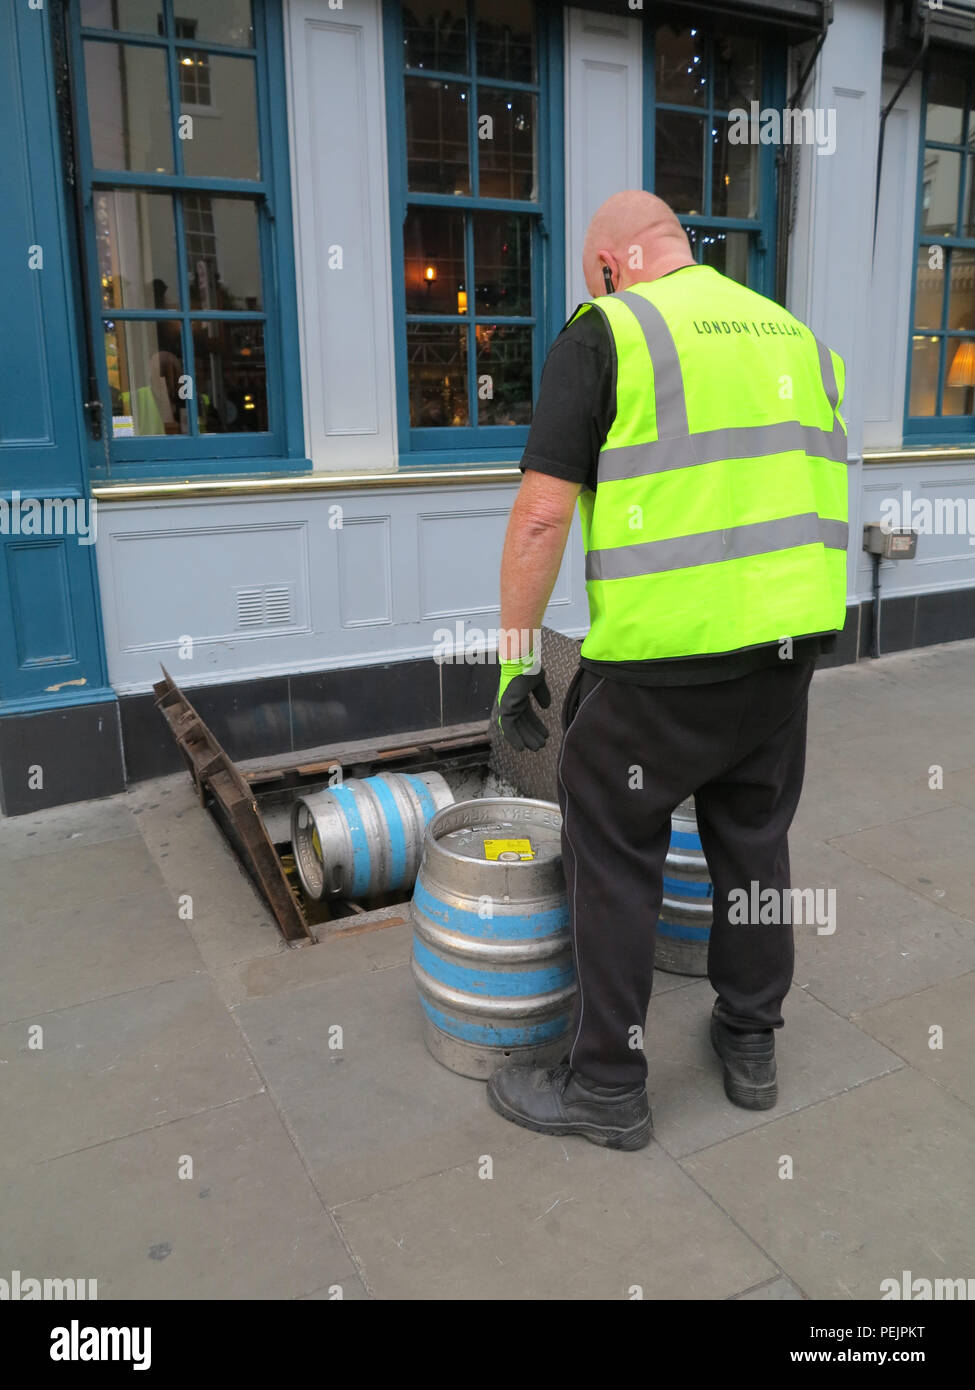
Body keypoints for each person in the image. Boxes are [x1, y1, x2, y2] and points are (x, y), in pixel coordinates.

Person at [487, 190, 848, 1151]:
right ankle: (749, 1041)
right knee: (754, 846)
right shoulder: (793, 338)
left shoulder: (607, 332)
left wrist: (515, 666)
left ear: (609, 266)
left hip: (656, 671)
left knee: (612, 857)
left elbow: (538, 516)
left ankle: (606, 1086)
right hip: (781, 660)